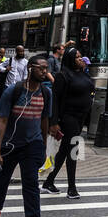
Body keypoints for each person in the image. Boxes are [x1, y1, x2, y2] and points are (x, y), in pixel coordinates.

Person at [0, 56, 55, 217]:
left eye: (46, 68)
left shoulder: (46, 93)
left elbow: (44, 121)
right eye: (41, 68)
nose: (45, 72)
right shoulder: (13, 91)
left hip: (33, 145)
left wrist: (43, 148)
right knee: (0, 181)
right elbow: (2, 121)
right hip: (10, 144)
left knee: (31, 183)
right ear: (31, 69)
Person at [43, 48, 95, 199]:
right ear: (70, 59)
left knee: (64, 151)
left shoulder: (83, 73)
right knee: (74, 150)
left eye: (81, 56)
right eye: (77, 57)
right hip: (68, 117)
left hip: (80, 118)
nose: (80, 59)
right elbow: (55, 100)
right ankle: (72, 188)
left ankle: (49, 182)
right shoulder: (62, 75)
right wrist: (53, 122)